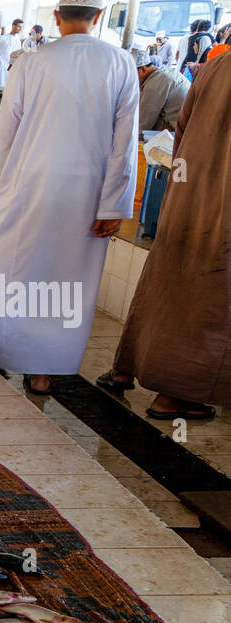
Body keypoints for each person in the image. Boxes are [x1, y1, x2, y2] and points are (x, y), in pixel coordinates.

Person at [0, 0, 138, 397]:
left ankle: (4, 350)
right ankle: (42, 374)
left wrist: (8, 182)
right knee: (66, 282)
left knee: (16, 271)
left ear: (57, 17)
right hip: (86, 194)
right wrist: (114, 204)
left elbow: (6, 131)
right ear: (98, 18)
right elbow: (125, 143)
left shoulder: (30, 61)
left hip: (31, 185)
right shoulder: (121, 63)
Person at [99, 53, 231, 419]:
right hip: (223, 208)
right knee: (207, 301)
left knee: (163, 283)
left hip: (187, 192)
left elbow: (182, 130)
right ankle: (172, 395)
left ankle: (123, 369)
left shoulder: (216, 67)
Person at [134, 46, 189, 131]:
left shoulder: (154, 84)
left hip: (180, 131)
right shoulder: (162, 73)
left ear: (143, 70)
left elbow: (143, 125)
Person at [0, 19, 23, 86]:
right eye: (19, 26)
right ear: (13, 26)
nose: (20, 29)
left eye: (21, 27)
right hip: (0, 66)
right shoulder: (3, 38)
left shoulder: (18, 41)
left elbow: (18, 54)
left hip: (11, 68)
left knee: (7, 89)